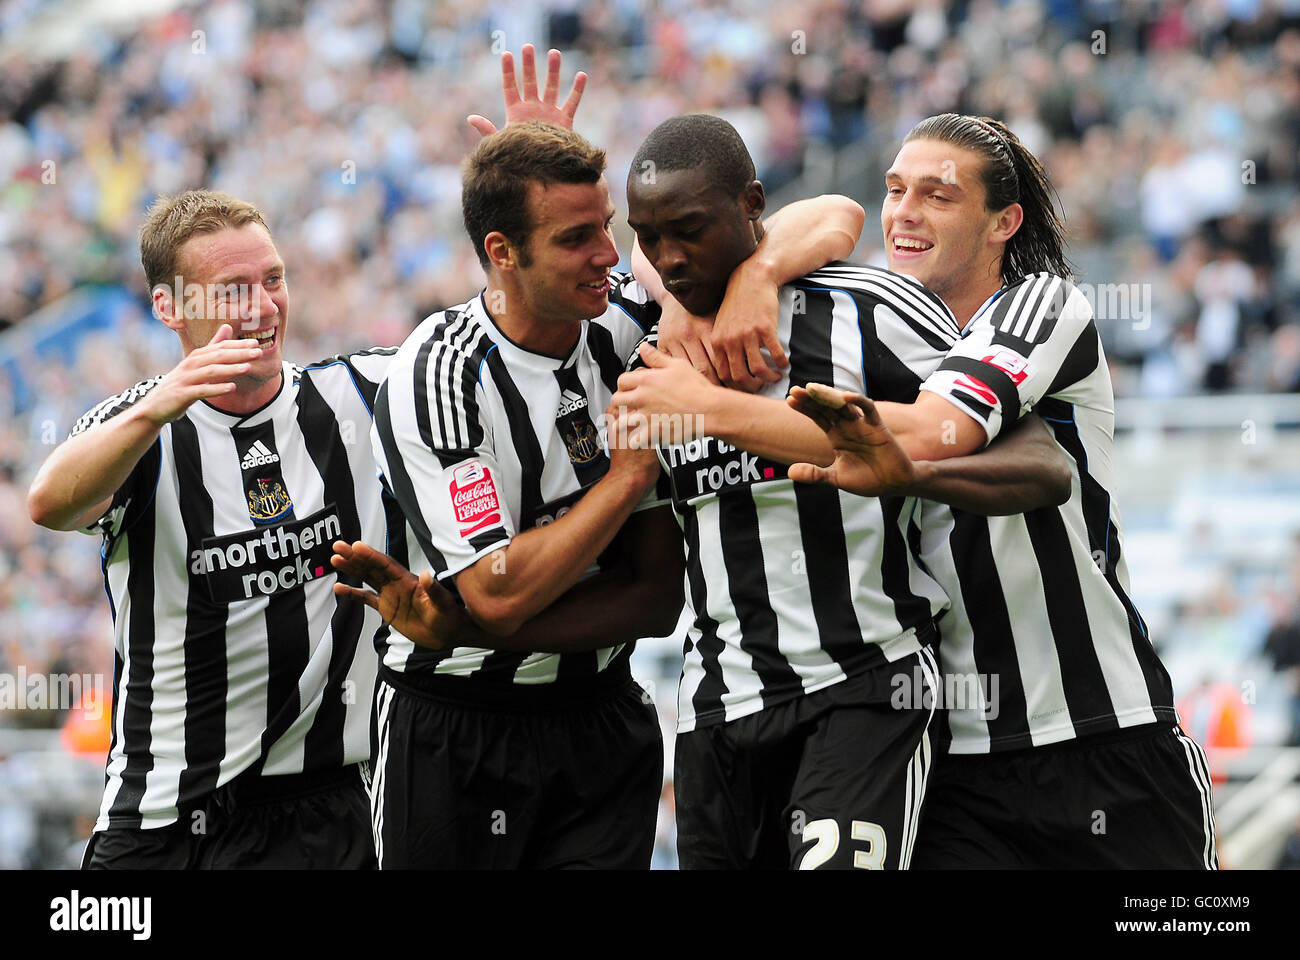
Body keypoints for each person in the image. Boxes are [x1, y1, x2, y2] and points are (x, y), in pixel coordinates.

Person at [711, 113, 1218, 869]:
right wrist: (753, 274)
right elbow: (806, 220)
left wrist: (704, 407)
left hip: (1105, 738)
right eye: (895, 190)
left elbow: (931, 432)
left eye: (938, 196)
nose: (905, 212)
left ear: (1002, 222)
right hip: (953, 764)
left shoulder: (1040, 307)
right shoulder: (878, 338)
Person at [27, 190, 394, 868]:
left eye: (274, 279)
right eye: (232, 290)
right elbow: (50, 503)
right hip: (166, 820)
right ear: (168, 307)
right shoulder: (139, 429)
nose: (262, 307)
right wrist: (162, 402)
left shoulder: (362, 398)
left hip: (328, 814)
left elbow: (486, 348)